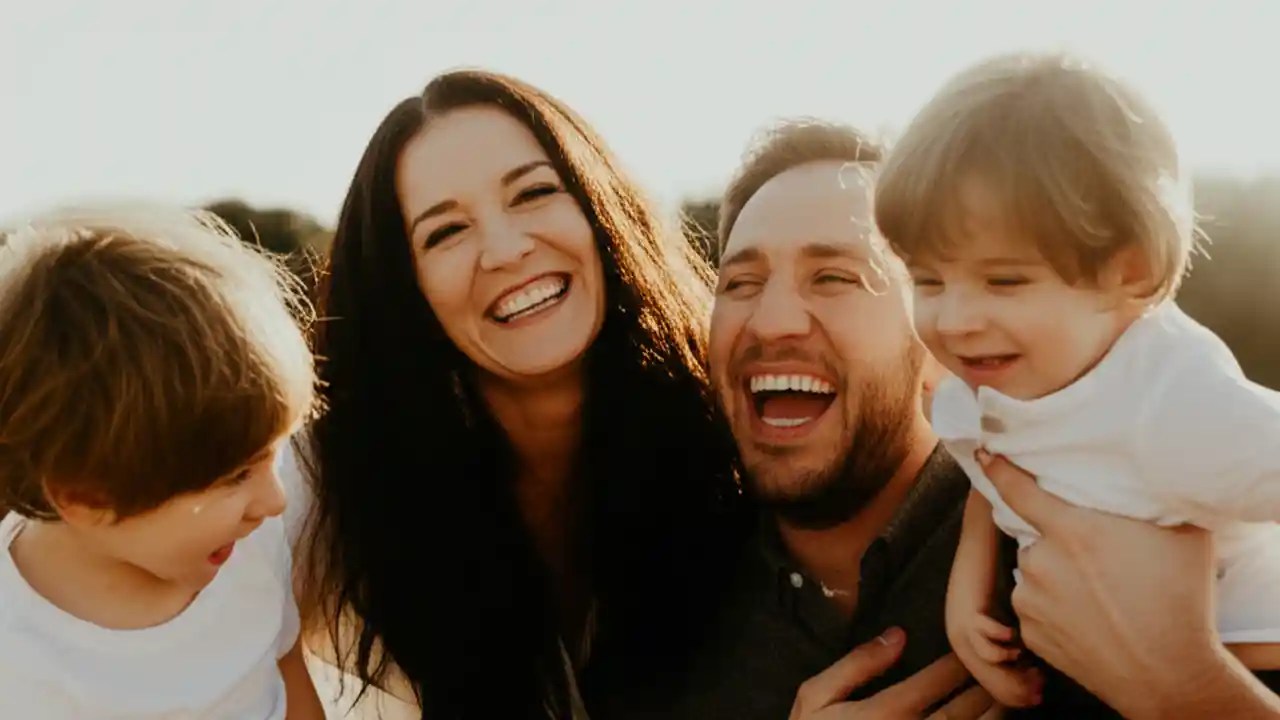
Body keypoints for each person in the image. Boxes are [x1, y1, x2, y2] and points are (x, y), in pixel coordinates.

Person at [664, 116, 1280, 720]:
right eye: (740, 281)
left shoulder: (1107, 533)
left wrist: (1190, 689)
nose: (772, 321)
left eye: (834, 276)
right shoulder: (650, 607)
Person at [281, 70, 749, 719]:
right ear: (405, 286)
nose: (504, 250)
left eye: (533, 193)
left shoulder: (734, 419)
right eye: (445, 233)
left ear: (599, 207)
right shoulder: (333, 480)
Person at [873, 50, 1280, 713]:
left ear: (1129, 272)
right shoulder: (982, 387)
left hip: (1244, 667)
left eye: (1004, 280)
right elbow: (989, 468)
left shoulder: (1173, 403)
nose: (955, 320)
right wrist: (965, 597)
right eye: (927, 280)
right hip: (1086, 672)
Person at [0, 203, 325, 719]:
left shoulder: (248, 548)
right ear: (88, 497)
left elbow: (288, 680)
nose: (273, 500)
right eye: (236, 475)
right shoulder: (18, 657)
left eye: (272, 453)